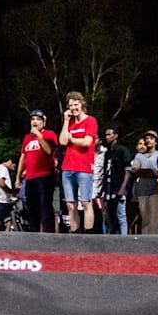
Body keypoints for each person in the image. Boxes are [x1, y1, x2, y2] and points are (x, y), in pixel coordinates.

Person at [57, 91, 99, 234]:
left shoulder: (90, 121)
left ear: (82, 104)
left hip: (84, 168)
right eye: (70, 105)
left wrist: (72, 139)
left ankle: (88, 233)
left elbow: (87, 142)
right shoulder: (71, 123)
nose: (73, 108)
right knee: (70, 203)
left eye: (76, 104)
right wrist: (66, 121)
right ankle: (74, 232)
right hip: (68, 167)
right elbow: (62, 141)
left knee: (86, 202)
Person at [17, 109, 58, 232]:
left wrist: (39, 135)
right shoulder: (27, 138)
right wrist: (18, 177)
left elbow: (49, 150)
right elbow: (23, 157)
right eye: (33, 119)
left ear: (44, 123)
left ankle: (49, 234)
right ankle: (34, 234)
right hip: (30, 177)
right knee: (31, 207)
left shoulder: (49, 134)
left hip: (45, 175)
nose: (34, 122)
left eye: (38, 119)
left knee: (45, 205)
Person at [98, 125, 130, 234]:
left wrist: (123, 189)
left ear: (115, 135)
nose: (107, 137)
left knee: (121, 215)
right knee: (109, 216)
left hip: (119, 187)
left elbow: (128, 170)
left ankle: (124, 239)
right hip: (109, 188)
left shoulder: (122, 150)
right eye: (106, 134)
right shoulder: (107, 153)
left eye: (109, 134)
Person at [130, 130, 158, 235]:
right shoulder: (139, 156)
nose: (148, 140)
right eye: (146, 138)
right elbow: (135, 168)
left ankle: (155, 235)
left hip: (155, 184)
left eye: (151, 138)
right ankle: (145, 235)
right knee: (144, 212)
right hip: (142, 185)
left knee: (155, 211)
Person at [0, 156, 18, 230]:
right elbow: (1, 183)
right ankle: (6, 239)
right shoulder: (3, 169)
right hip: (1, 200)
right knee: (8, 221)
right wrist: (10, 191)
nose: (14, 168)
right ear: (10, 162)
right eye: (14, 165)